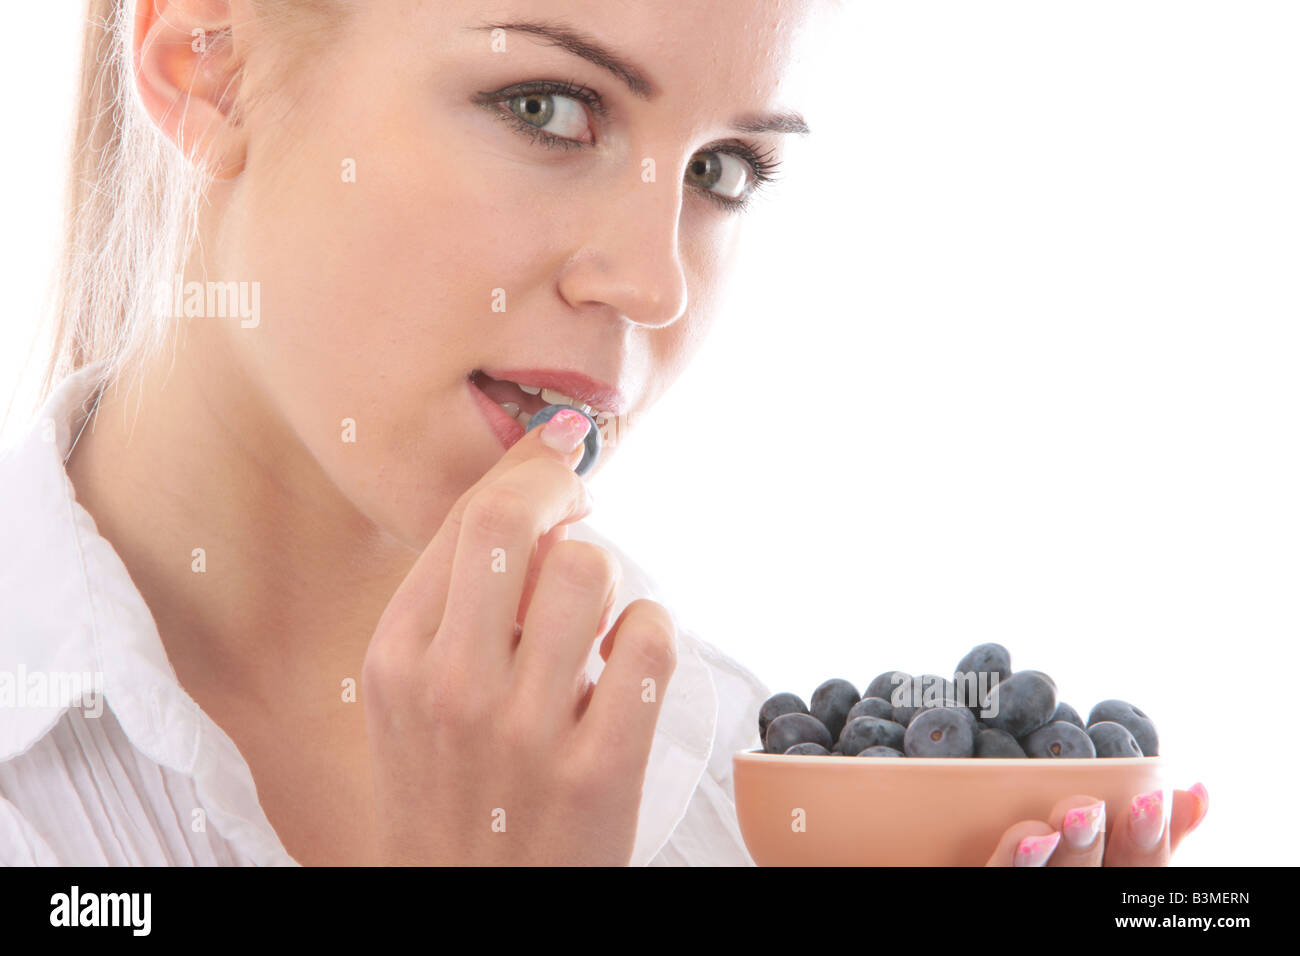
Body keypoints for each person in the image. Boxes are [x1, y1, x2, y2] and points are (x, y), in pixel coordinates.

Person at [0, 0, 1206, 866]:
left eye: (723, 170)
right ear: (205, 63)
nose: (652, 282)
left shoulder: (748, 787)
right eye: (548, 106)